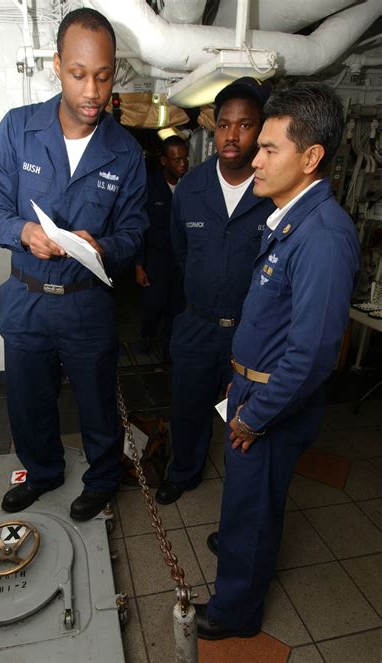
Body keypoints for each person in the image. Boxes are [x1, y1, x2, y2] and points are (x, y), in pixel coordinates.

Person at [195, 82, 361, 640]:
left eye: (270, 149)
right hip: (251, 387)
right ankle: (244, 548)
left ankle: (234, 611)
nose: (254, 158)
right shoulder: (290, 218)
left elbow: (313, 354)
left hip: (269, 402)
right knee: (249, 499)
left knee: (254, 508)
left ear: (310, 158)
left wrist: (254, 414)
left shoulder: (322, 236)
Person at [0, 8, 147, 521]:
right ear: (56, 65)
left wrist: (102, 247)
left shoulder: (125, 153)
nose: (92, 90)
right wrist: (24, 232)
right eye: (79, 74)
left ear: (113, 71)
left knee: (98, 404)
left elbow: (136, 231)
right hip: (28, 298)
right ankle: (44, 472)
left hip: (85, 303)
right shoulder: (18, 129)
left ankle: (101, 480)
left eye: (103, 75)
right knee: (29, 403)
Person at [155, 77, 275, 505]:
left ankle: (243, 493)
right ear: (213, 129)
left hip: (250, 334)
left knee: (246, 417)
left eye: (245, 125)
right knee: (187, 409)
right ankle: (183, 472)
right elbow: (180, 250)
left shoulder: (274, 191)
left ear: (261, 130)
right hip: (197, 324)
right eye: (224, 124)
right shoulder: (191, 188)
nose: (232, 134)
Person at [135, 136, 188, 361]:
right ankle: (146, 335)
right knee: (154, 305)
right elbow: (139, 228)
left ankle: (169, 352)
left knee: (176, 310)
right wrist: (138, 265)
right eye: (176, 160)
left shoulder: (191, 186)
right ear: (164, 161)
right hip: (155, 260)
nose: (182, 164)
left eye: (184, 159)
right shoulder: (149, 186)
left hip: (180, 261)